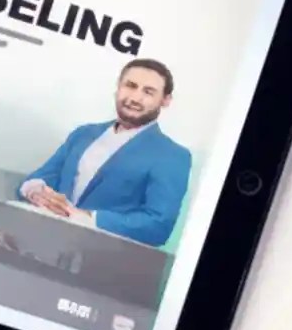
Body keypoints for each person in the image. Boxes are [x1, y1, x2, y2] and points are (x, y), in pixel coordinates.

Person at [16, 59, 192, 247]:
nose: (135, 98)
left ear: (165, 100)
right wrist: (36, 192)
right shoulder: (83, 133)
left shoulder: (172, 156)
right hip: (40, 239)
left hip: (101, 257)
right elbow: (45, 174)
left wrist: (89, 218)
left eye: (148, 92)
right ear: (118, 87)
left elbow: (158, 225)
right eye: (130, 86)